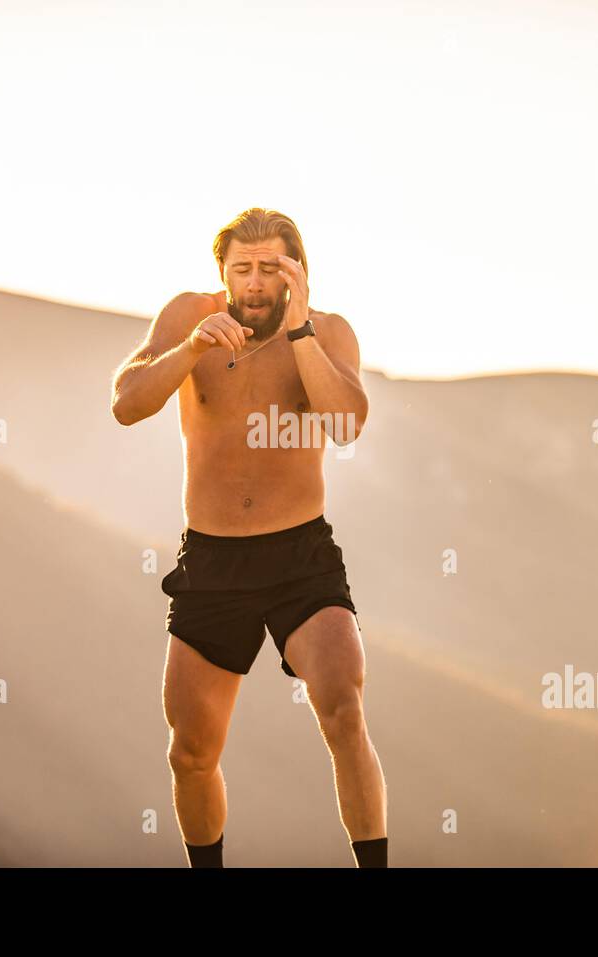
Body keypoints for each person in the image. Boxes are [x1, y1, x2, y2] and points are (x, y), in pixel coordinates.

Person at [110, 207, 388, 867]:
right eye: (243, 269)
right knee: (190, 752)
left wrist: (300, 334)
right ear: (223, 274)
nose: (256, 283)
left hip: (300, 555)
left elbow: (346, 425)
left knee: (344, 708)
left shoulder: (329, 332)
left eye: (271, 268)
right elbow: (126, 403)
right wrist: (193, 349)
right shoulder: (188, 316)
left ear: (297, 272)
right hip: (213, 560)